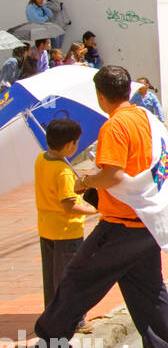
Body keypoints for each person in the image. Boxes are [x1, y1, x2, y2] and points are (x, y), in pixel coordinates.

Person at [32, 66, 168, 348]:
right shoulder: (145, 117)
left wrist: (88, 180)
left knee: (76, 281)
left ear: (101, 96)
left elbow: (112, 175)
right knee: (148, 290)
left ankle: (50, 345)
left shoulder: (114, 127)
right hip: (148, 219)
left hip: (121, 224)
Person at [35, 118, 97, 324]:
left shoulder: (41, 159)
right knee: (70, 277)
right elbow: (69, 205)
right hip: (67, 230)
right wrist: (93, 209)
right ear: (70, 144)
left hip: (46, 227)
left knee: (51, 277)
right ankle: (72, 318)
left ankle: (52, 314)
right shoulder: (63, 171)